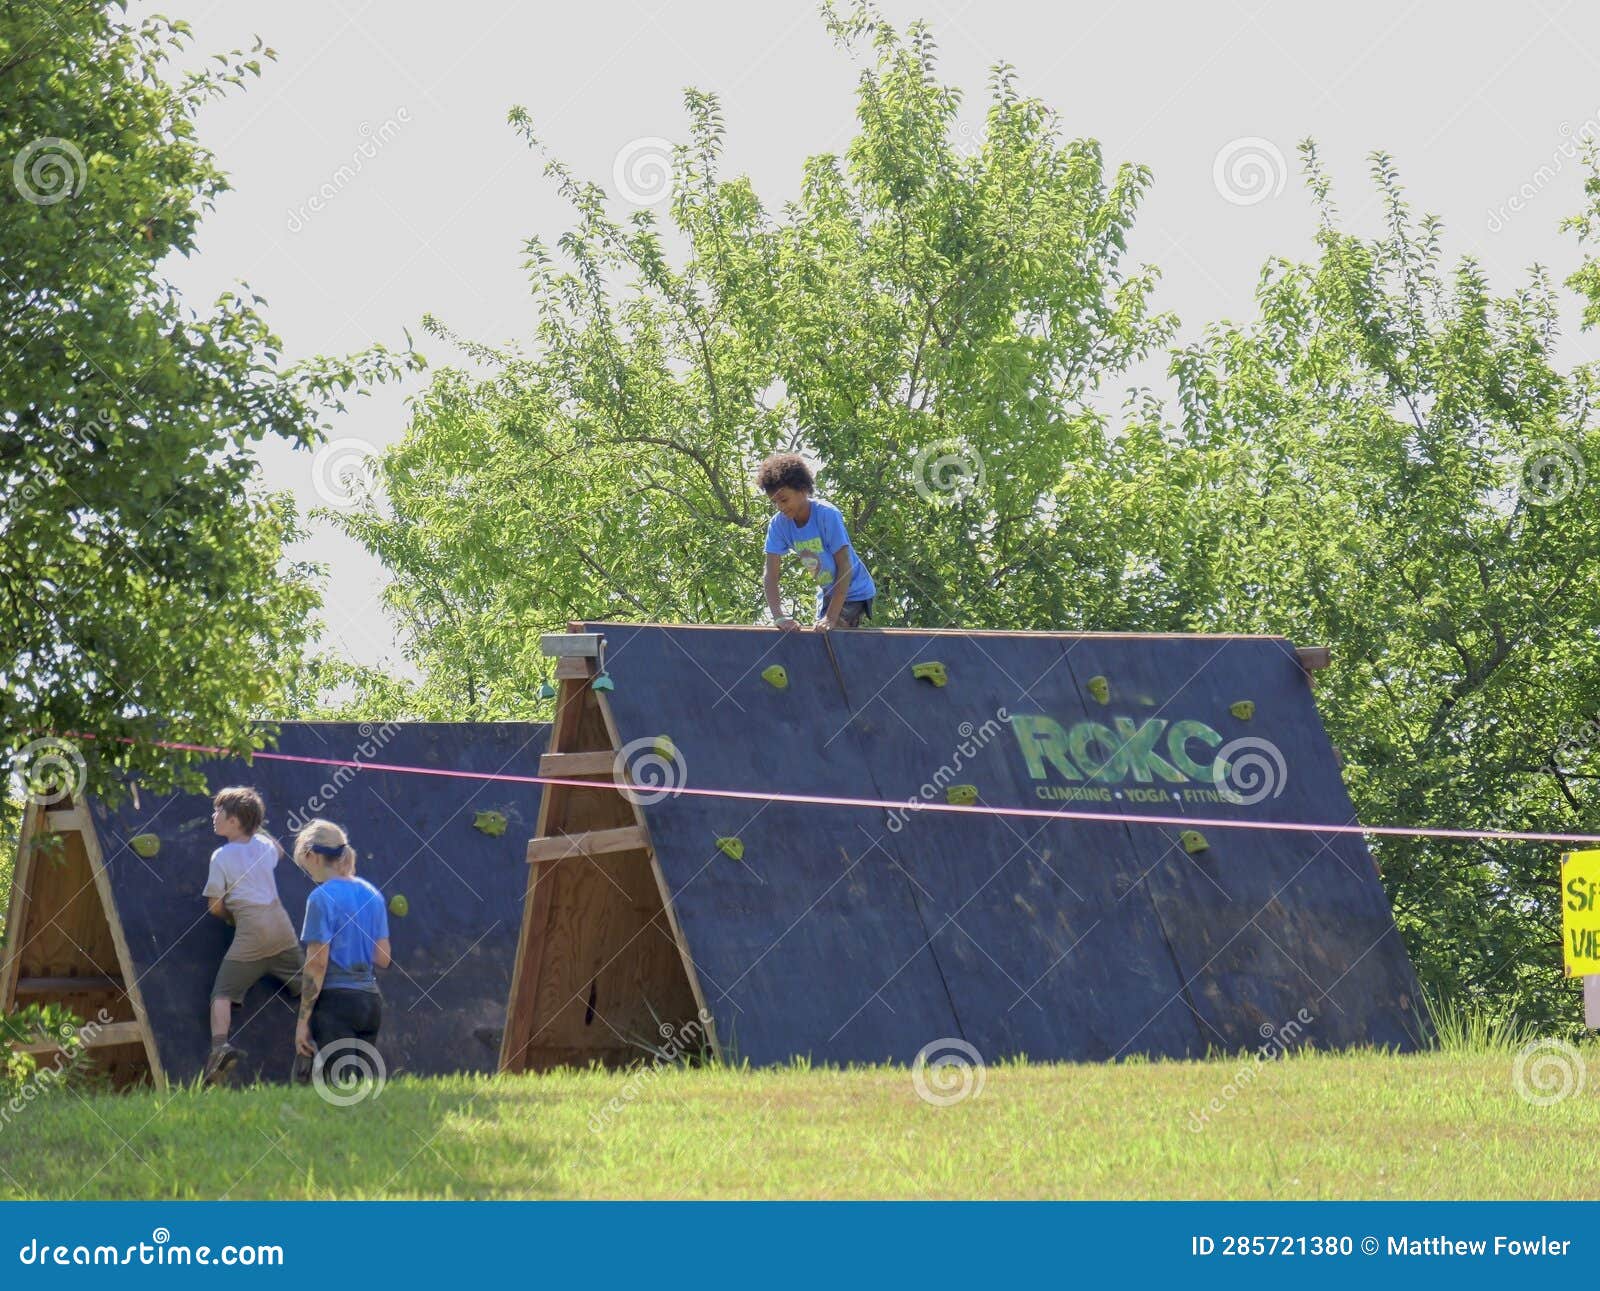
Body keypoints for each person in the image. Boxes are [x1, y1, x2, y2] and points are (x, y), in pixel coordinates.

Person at [202, 787, 303, 1085]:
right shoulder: (263, 846)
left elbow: (215, 906)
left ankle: (220, 1048)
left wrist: (233, 918)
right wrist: (256, 824)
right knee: (310, 987)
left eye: (219, 812)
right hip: (281, 926)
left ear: (233, 822)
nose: (214, 816)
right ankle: (330, 1038)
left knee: (222, 993)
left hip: (251, 929)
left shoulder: (221, 856)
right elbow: (281, 851)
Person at [291, 819, 390, 1081]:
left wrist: (303, 1021)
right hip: (370, 1003)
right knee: (361, 1088)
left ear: (312, 855)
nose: (307, 871)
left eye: (304, 863)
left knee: (336, 1090)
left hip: (336, 1004)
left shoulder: (320, 898)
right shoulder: (373, 894)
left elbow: (317, 963)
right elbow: (383, 957)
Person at [758, 453, 876, 631]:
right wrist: (779, 617)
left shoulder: (827, 514)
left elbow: (845, 565)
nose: (780, 507)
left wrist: (830, 617)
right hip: (828, 593)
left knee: (832, 630)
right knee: (815, 637)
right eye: (775, 502)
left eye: (784, 500)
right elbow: (771, 574)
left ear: (803, 490)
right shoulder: (778, 525)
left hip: (854, 590)